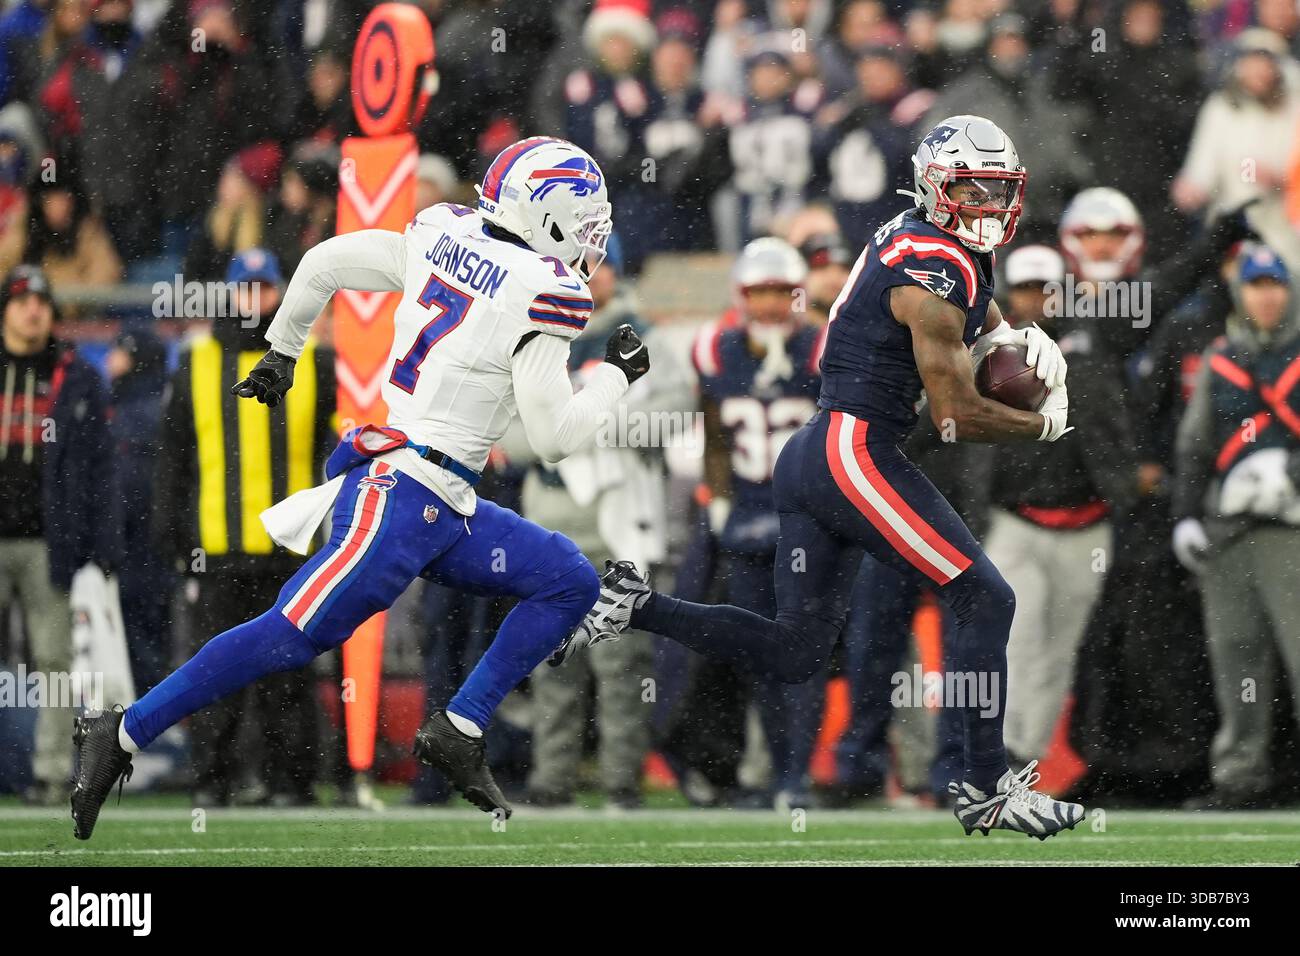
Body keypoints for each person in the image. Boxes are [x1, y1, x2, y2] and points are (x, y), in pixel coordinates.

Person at [69, 137, 649, 839]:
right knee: (287, 635)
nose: (591, 237)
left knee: (567, 579)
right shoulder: (542, 291)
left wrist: (284, 350)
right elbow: (556, 436)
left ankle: (460, 727)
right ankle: (122, 731)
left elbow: (322, 263)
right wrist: (617, 376)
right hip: (403, 495)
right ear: (547, 216)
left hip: (444, 499)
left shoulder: (445, 232)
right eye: (584, 220)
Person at [564, 116, 1085, 838]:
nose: (990, 204)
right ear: (937, 186)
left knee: (796, 648)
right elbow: (955, 414)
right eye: (974, 189)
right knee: (985, 597)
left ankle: (636, 605)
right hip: (853, 450)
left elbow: (977, 317)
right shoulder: (934, 268)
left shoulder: (926, 238)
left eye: (999, 189)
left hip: (817, 450)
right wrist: (1044, 424)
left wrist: (1010, 338)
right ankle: (986, 785)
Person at [1172, 244, 1300, 809]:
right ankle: (1238, 776)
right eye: (1256, 285)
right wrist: (1185, 516)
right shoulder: (1221, 358)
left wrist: (1289, 473)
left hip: (1291, 529)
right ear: (1240, 292)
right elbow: (1194, 445)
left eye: (1275, 284)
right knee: (1234, 655)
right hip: (1229, 530)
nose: (1267, 296)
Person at [0, 264, 116, 804]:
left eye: (42, 302)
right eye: (22, 300)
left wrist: (101, 541)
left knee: (53, 660)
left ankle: (50, 774)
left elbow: (99, 465)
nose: (33, 310)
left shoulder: (77, 375)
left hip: (49, 539)